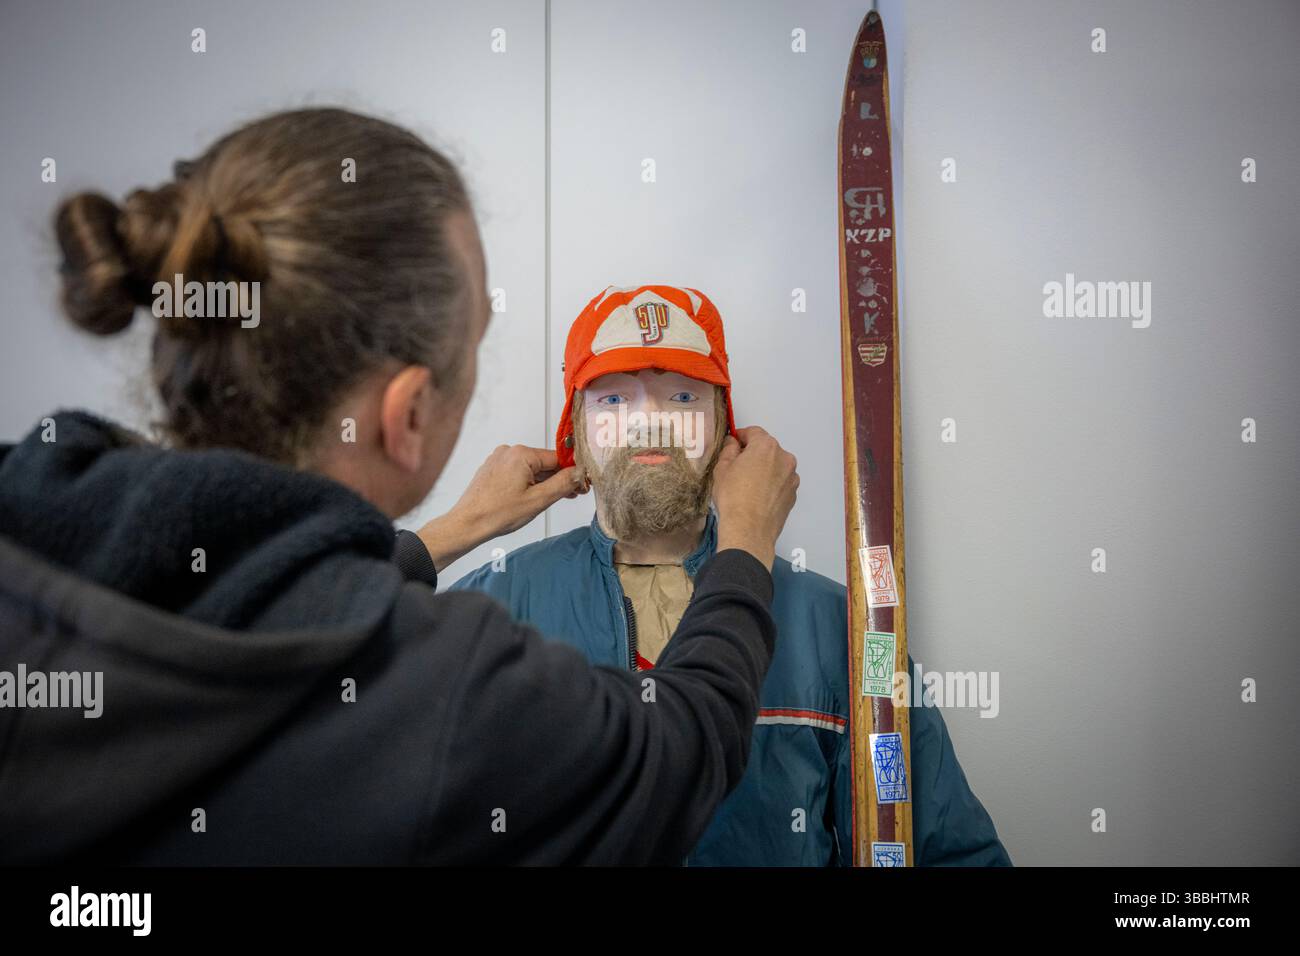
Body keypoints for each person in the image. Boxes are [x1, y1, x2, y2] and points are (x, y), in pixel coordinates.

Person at [0, 108, 801, 865]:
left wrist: (447, 533)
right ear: (409, 414)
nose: (651, 420)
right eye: (477, 340)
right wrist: (749, 545)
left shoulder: (27, 500)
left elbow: (275, 592)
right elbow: (675, 756)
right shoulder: (457, 678)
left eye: (683, 395)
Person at [452, 284, 1012, 865]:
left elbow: (948, 851)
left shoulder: (842, 630)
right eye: (613, 400)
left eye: (683, 395)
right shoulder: (487, 611)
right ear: (574, 437)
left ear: (726, 433)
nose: (650, 422)